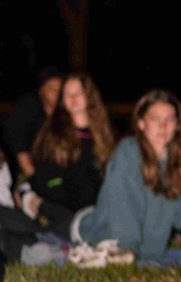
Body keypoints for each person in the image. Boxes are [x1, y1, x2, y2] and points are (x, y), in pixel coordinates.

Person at [73, 89, 181, 266]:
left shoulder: (177, 161)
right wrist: (127, 251)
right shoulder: (128, 151)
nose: (163, 125)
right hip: (97, 232)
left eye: (170, 119)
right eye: (155, 118)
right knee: (58, 220)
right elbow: (122, 204)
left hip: (146, 252)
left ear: (177, 125)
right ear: (142, 123)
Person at [18, 72, 115, 240]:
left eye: (78, 92)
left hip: (97, 208)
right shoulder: (52, 134)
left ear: (89, 96)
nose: (73, 97)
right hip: (62, 207)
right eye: (67, 94)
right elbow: (48, 181)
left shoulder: (104, 135)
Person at [1, 67, 64, 180]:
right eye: (52, 89)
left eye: (60, 89)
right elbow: (16, 140)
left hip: (59, 174)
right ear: (42, 90)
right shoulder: (28, 108)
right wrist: (33, 177)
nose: (57, 93)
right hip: (27, 174)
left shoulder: (67, 111)